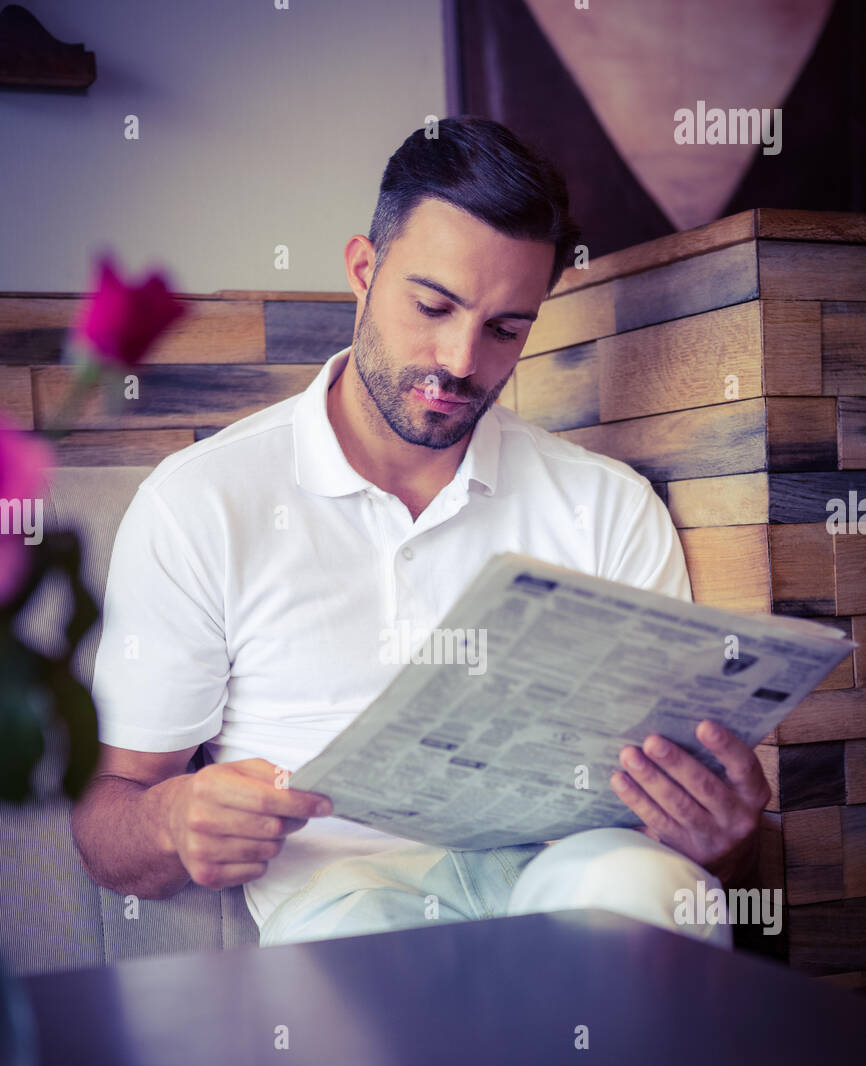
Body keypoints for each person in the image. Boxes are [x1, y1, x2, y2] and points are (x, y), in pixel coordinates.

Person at [71, 117, 770, 952]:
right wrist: (172, 817)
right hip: (344, 896)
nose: (461, 360)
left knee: (650, 888)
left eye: (507, 328)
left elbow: (689, 839)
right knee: (385, 976)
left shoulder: (607, 505)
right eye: (433, 306)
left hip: (567, 871)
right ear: (363, 271)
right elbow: (106, 826)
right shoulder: (203, 502)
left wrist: (716, 846)